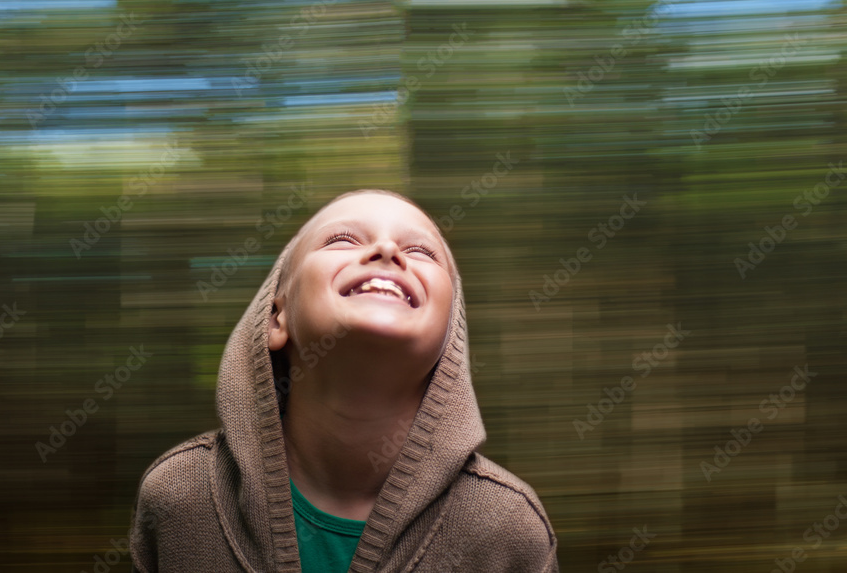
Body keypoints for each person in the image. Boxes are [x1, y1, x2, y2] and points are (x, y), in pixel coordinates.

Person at [129, 189, 559, 572]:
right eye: (341, 240)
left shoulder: (508, 529)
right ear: (275, 318)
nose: (388, 248)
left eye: (423, 252)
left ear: (450, 337)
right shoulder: (178, 498)